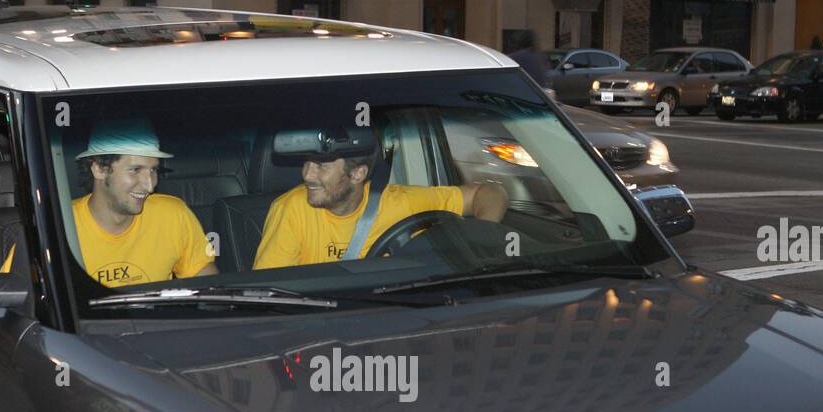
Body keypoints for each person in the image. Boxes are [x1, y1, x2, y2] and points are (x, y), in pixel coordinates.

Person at [254, 134, 508, 270]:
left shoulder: (401, 203)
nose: (307, 174)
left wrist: (483, 235)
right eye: (306, 162)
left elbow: (489, 194)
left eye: (320, 166)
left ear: (358, 174)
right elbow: (268, 294)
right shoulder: (291, 209)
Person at [70, 119, 217, 287]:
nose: (150, 185)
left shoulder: (172, 215)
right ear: (99, 169)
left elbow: (209, 288)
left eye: (153, 170)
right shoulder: (62, 227)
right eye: (135, 170)